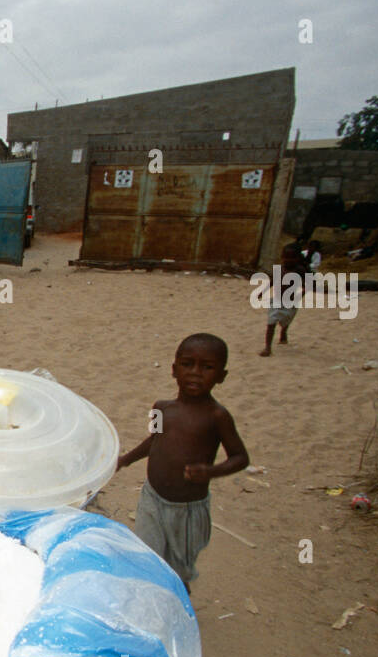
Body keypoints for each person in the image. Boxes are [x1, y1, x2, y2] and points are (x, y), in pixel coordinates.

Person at [116, 333, 250, 589]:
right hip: (151, 498)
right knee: (147, 556)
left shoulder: (217, 416)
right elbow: (153, 440)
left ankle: (179, 598)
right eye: (188, 364)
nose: (196, 373)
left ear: (221, 376)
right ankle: (153, 599)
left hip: (186, 510)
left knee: (179, 569)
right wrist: (126, 460)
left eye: (207, 367)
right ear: (174, 370)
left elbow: (241, 458)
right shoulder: (161, 407)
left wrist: (211, 471)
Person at [259, 241, 308, 357]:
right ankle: (267, 348)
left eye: (292, 257)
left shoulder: (300, 270)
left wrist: (301, 294)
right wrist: (262, 291)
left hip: (291, 302)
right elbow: (272, 282)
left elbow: (308, 285)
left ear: (298, 258)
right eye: (286, 257)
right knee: (271, 323)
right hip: (276, 300)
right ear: (282, 257)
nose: (289, 260)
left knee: (286, 320)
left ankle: (284, 332)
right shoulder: (279, 269)